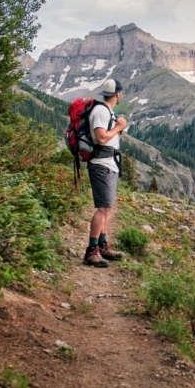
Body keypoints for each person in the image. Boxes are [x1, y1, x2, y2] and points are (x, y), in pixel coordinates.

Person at [83, 79, 127, 267]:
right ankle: (91, 251)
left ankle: (102, 245)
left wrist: (118, 130)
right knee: (102, 209)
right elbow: (101, 138)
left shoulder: (108, 112)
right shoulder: (101, 111)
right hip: (101, 164)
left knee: (107, 208)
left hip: (109, 163)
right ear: (118, 94)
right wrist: (118, 128)